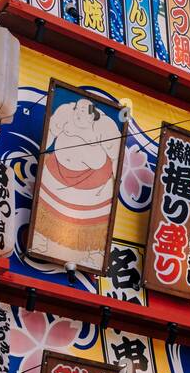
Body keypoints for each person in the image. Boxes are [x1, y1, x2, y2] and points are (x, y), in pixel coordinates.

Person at [31, 96, 122, 270]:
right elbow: (49, 135)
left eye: (84, 111)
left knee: (94, 222)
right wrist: (41, 154)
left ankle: (95, 253)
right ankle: (40, 240)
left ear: (92, 116)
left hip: (93, 184)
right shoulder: (64, 114)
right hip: (57, 173)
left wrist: (117, 181)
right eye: (77, 109)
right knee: (45, 209)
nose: (79, 113)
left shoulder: (104, 127)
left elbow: (116, 155)